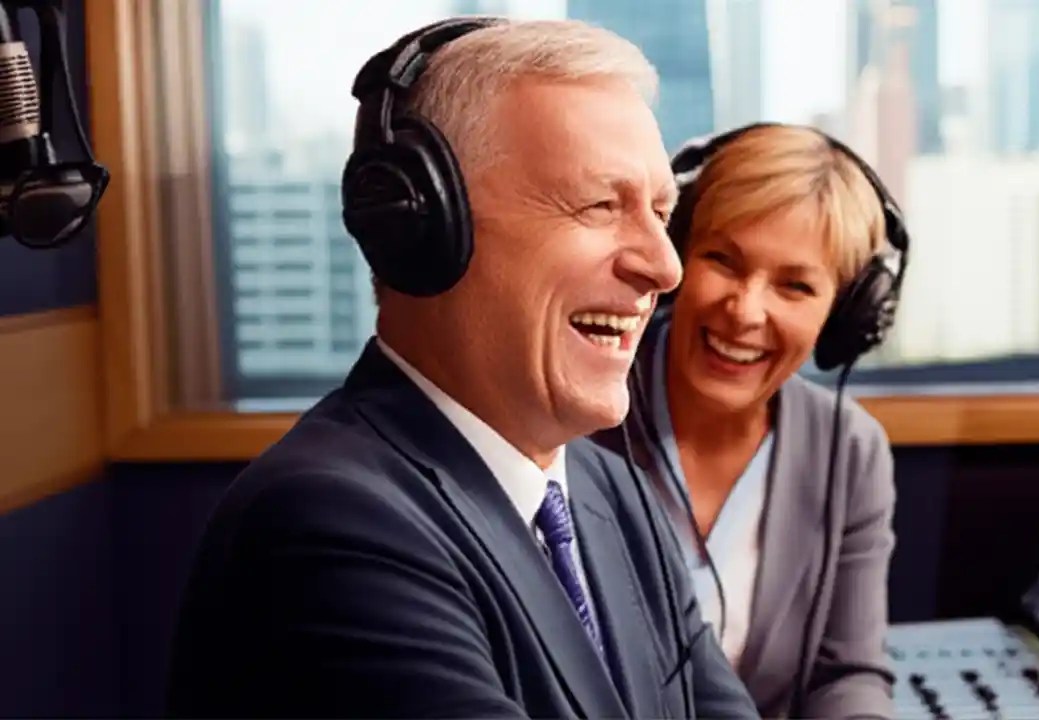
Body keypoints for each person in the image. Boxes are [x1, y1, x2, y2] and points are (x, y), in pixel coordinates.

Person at [165, 17, 761, 719]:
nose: (664, 267)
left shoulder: (615, 492)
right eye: (601, 205)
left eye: (660, 213)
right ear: (423, 221)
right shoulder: (329, 522)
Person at [594, 122, 907, 719]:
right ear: (678, 250)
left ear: (843, 313)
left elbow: (847, 673)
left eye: (795, 286)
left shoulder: (849, 449)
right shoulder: (582, 408)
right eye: (723, 261)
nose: (745, 311)